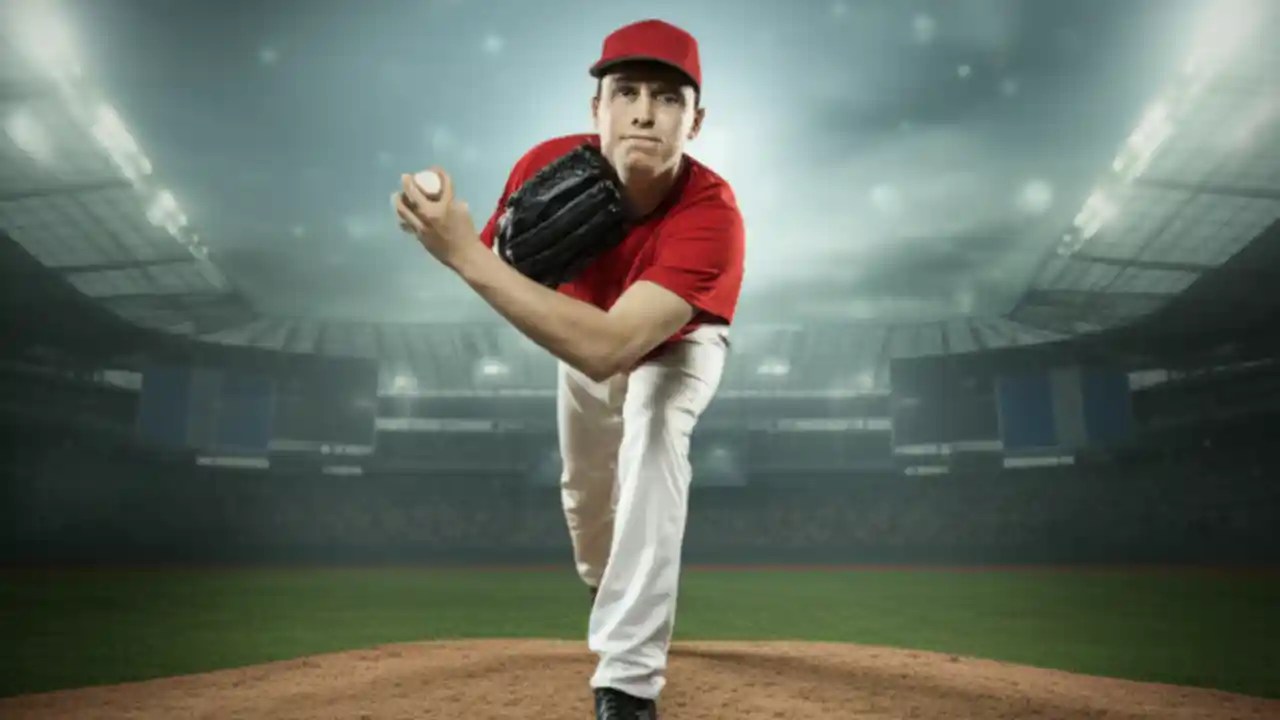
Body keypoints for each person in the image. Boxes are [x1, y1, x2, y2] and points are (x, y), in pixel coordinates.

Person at [393, 18, 745, 720]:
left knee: (650, 428)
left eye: (669, 97)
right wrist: (462, 244)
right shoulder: (544, 165)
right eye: (627, 91)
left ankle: (627, 681)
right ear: (597, 109)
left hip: (674, 345)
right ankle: (605, 580)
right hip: (584, 336)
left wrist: (464, 254)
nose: (645, 111)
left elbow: (612, 346)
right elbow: (513, 279)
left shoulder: (712, 216)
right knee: (585, 492)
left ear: (695, 121)